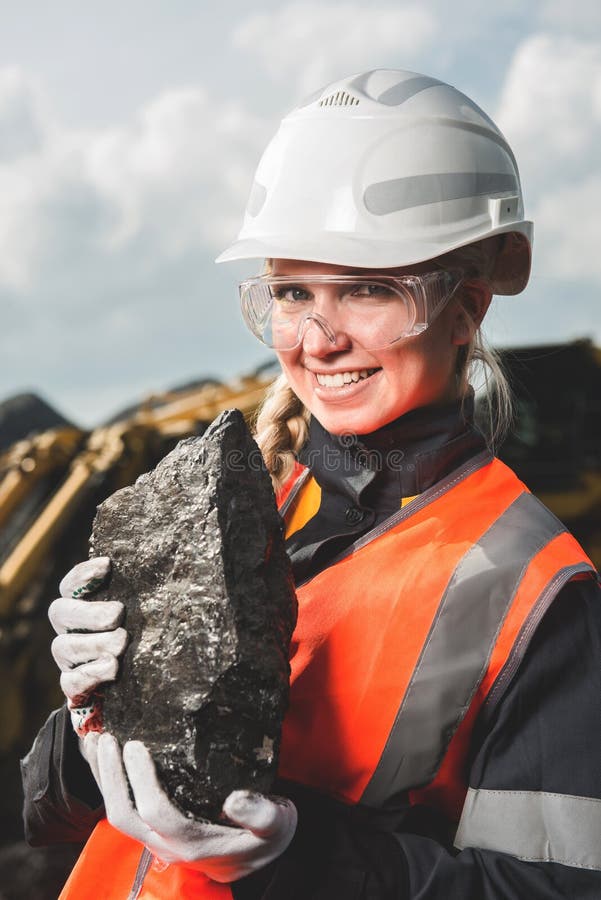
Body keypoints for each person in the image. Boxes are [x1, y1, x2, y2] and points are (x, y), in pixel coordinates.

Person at [21, 68, 601, 899]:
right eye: (292, 292)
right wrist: (93, 720)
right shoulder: (237, 510)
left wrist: (297, 856)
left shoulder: (535, 590)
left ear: (465, 307)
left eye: (367, 289)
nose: (318, 339)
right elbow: (49, 812)